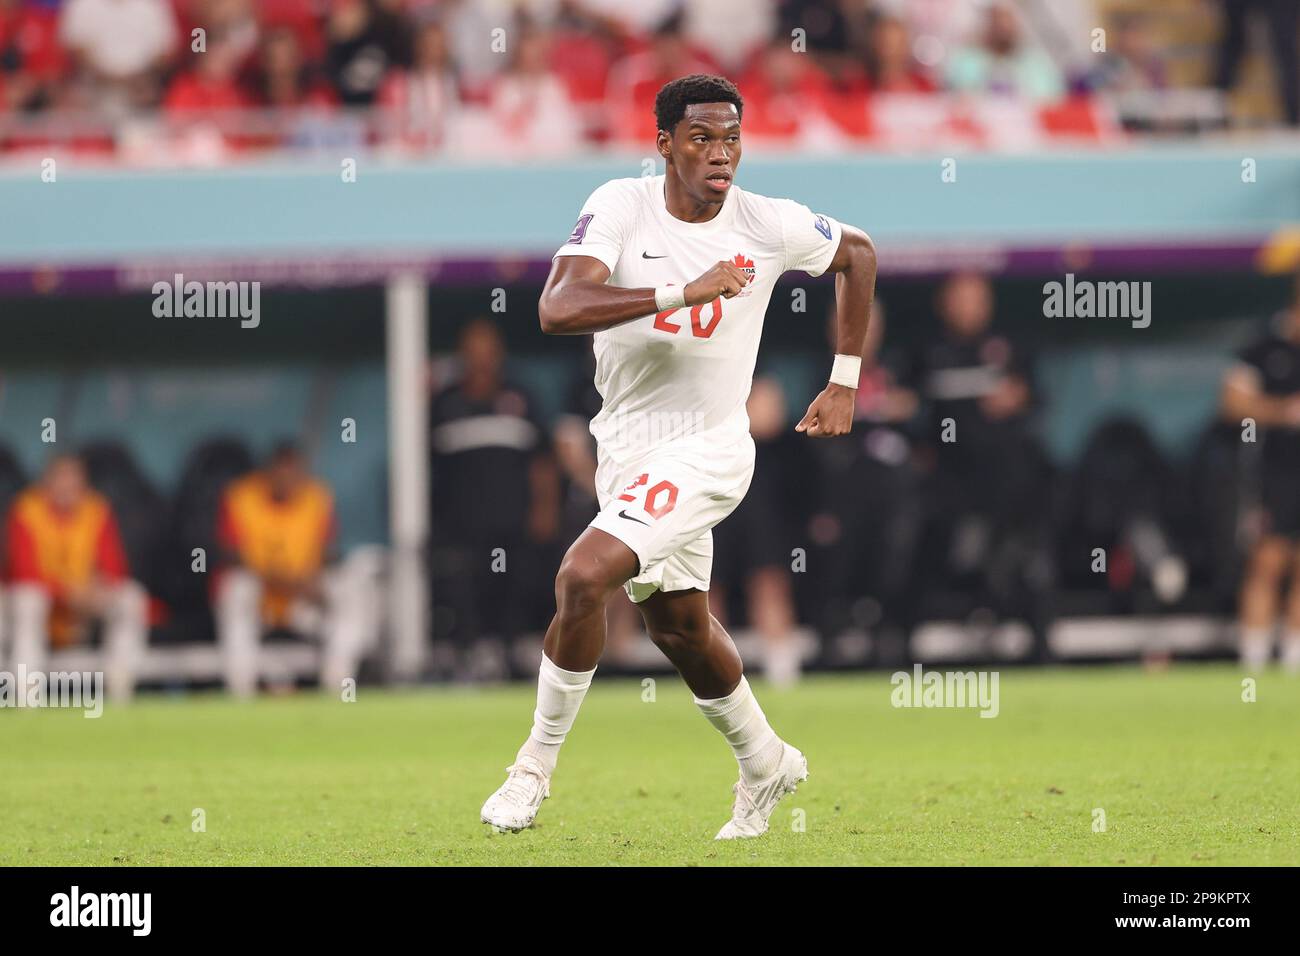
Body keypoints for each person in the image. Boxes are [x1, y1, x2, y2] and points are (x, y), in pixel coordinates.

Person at [480, 74, 877, 839]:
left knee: (581, 575)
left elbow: (857, 254)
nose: (720, 154)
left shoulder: (767, 222)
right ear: (664, 144)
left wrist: (844, 380)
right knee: (680, 627)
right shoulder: (622, 206)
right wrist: (679, 292)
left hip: (710, 448)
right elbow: (558, 306)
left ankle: (532, 769)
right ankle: (765, 761)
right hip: (626, 446)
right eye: (701, 138)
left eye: (731, 138)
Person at [214, 442, 380, 696]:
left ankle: (338, 681)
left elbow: (328, 551)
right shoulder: (242, 496)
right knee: (236, 588)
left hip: (302, 602)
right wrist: (286, 583)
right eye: (280, 472)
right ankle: (241, 688)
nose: (287, 480)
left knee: (351, 591)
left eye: (294, 473)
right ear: (268, 473)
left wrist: (316, 582)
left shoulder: (316, 496)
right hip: (262, 600)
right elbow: (230, 556)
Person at [2, 454, 148, 701]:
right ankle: (26, 696)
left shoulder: (96, 509)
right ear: (46, 482)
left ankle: (120, 691)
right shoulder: (27, 510)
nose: (66, 486)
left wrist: (96, 590)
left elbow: (115, 567)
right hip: (39, 606)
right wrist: (66, 593)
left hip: (83, 604)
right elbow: (22, 572)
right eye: (60, 479)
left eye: (73, 479)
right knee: (28, 600)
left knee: (131, 597)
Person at [1221, 270, 1300, 671]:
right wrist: (1284, 411)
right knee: (1267, 561)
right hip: (1275, 474)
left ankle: (1293, 666)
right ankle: (1252, 664)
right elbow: (1232, 403)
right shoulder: (1265, 346)